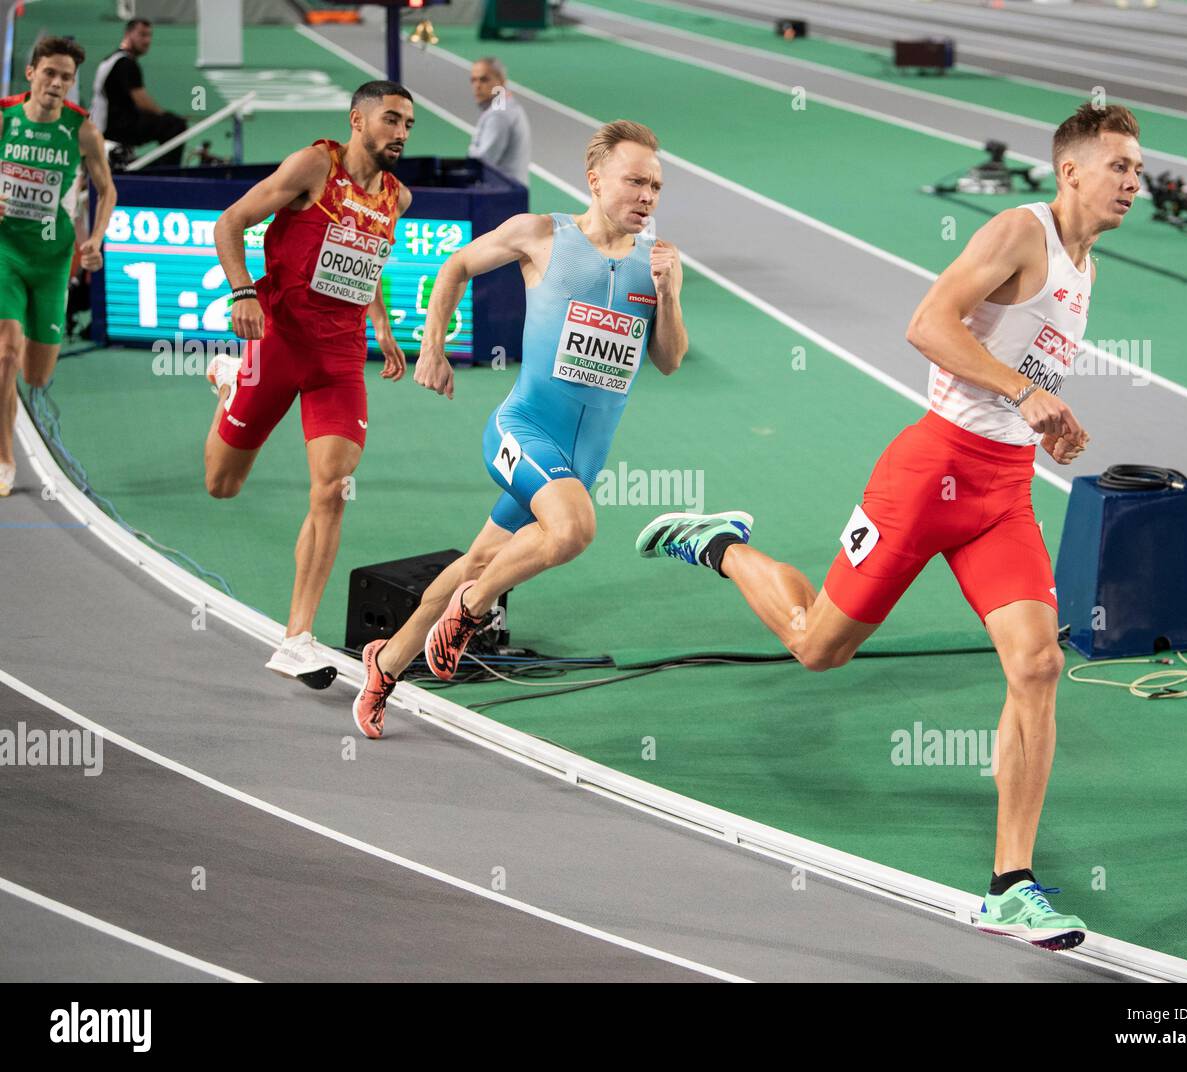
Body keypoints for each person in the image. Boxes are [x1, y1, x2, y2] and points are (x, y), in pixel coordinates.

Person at [635, 103, 1144, 952]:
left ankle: (1011, 885)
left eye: (1138, 169)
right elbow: (927, 324)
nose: (1135, 182)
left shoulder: (1089, 267)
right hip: (929, 476)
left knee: (1039, 660)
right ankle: (719, 544)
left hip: (1004, 489)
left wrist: (1045, 420)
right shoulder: (1021, 233)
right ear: (1071, 172)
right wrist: (1024, 394)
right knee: (817, 645)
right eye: (1120, 166)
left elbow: (1017, 371)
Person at [350, 119, 685, 740]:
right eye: (635, 181)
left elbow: (667, 359)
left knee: (479, 556)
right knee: (576, 529)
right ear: (594, 180)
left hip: (580, 459)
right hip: (522, 430)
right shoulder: (541, 236)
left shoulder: (658, 263)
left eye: (657, 187)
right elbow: (454, 266)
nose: (647, 196)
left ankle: (386, 662)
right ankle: (470, 611)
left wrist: (670, 296)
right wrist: (432, 347)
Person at [205, 81, 413, 687]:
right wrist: (243, 291)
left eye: (408, 125)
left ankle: (296, 637)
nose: (401, 133)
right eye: (391, 120)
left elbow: (364, 264)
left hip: (339, 360)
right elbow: (230, 222)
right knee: (222, 485)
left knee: (333, 487)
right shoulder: (312, 167)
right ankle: (228, 384)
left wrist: (381, 324)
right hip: (278, 343)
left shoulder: (396, 198)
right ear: (357, 119)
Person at [0, 36, 116, 498]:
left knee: (35, 375)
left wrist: (96, 239)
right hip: (5, 251)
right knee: (6, 352)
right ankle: (4, 456)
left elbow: (107, 190)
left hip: (52, 260)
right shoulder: (5, 117)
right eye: (49, 73)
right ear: (31, 74)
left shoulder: (81, 130)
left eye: (65, 77)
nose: (56, 83)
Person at [90, 18, 188, 167]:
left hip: (103, 125)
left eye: (149, 36)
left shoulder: (110, 59)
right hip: (116, 129)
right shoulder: (126, 63)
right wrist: (164, 115)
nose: (147, 40)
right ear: (128, 34)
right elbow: (141, 101)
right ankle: (164, 171)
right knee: (174, 125)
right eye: (142, 35)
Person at [466, 57, 531, 186]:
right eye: (473, 80)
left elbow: (483, 162)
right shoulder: (508, 105)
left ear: (501, 81)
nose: (477, 86)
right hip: (511, 191)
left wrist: (472, 150)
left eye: (484, 79)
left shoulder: (499, 114)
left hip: (503, 195)